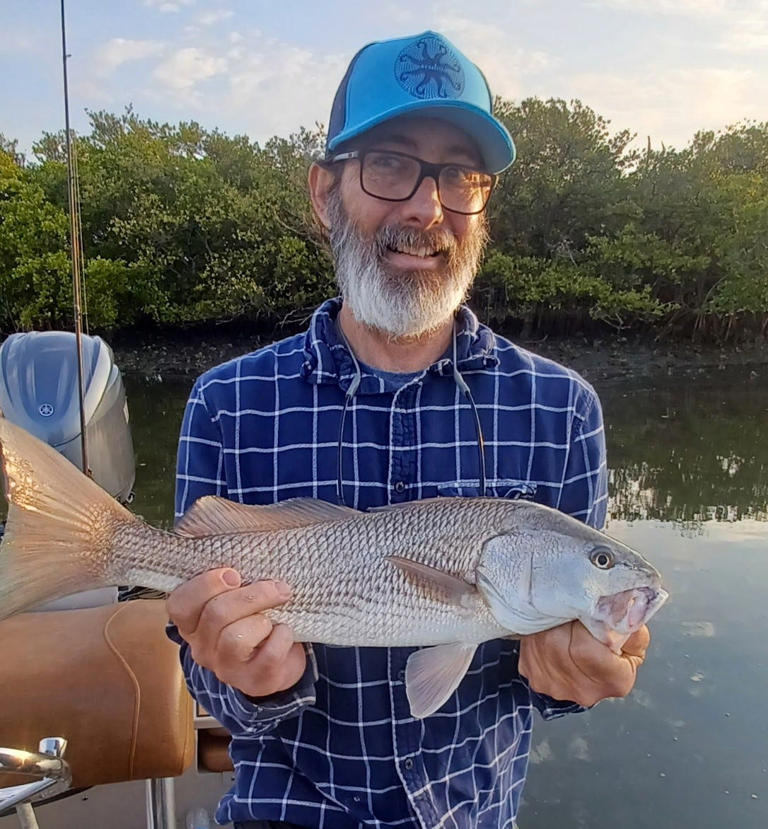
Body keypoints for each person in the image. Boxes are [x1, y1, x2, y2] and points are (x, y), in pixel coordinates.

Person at [166, 30, 650, 829]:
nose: (428, 207)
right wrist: (244, 678)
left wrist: (581, 674)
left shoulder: (562, 409)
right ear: (325, 192)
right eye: (391, 162)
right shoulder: (229, 402)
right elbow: (202, 670)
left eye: (462, 174)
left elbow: (551, 685)